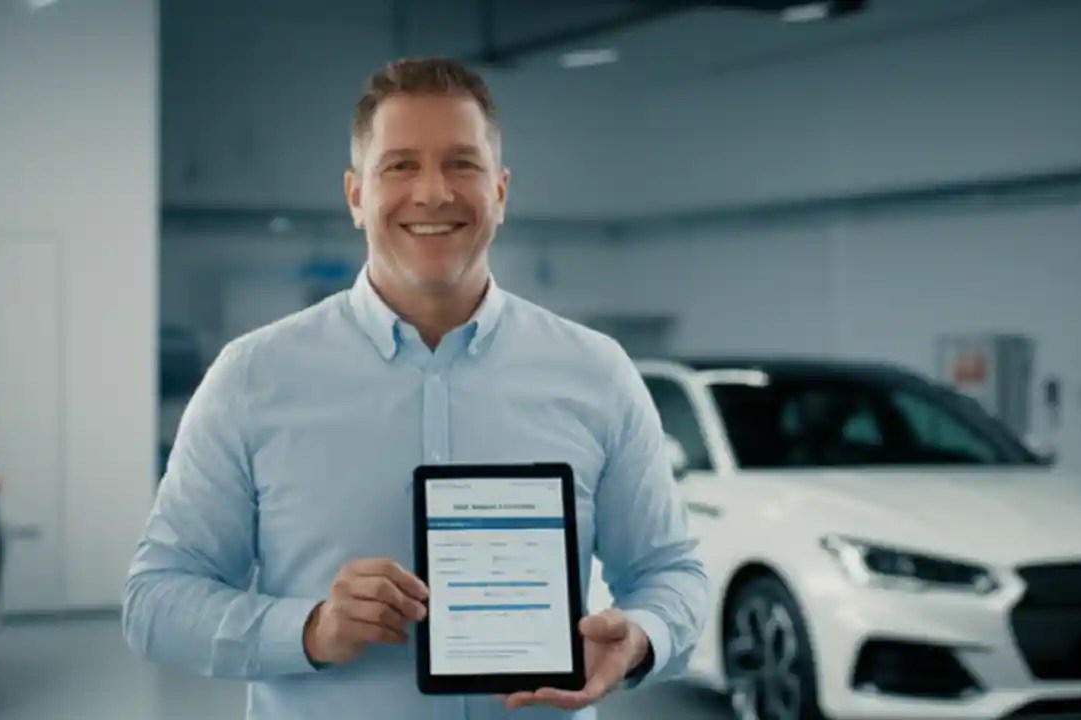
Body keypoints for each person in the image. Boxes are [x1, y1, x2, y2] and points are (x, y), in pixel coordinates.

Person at [122, 57, 708, 720]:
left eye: (462, 163)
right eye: (399, 165)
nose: (433, 192)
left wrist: (640, 639)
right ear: (354, 196)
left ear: (502, 191)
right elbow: (156, 601)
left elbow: (672, 575)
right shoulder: (252, 377)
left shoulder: (596, 373)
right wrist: (308, 629)